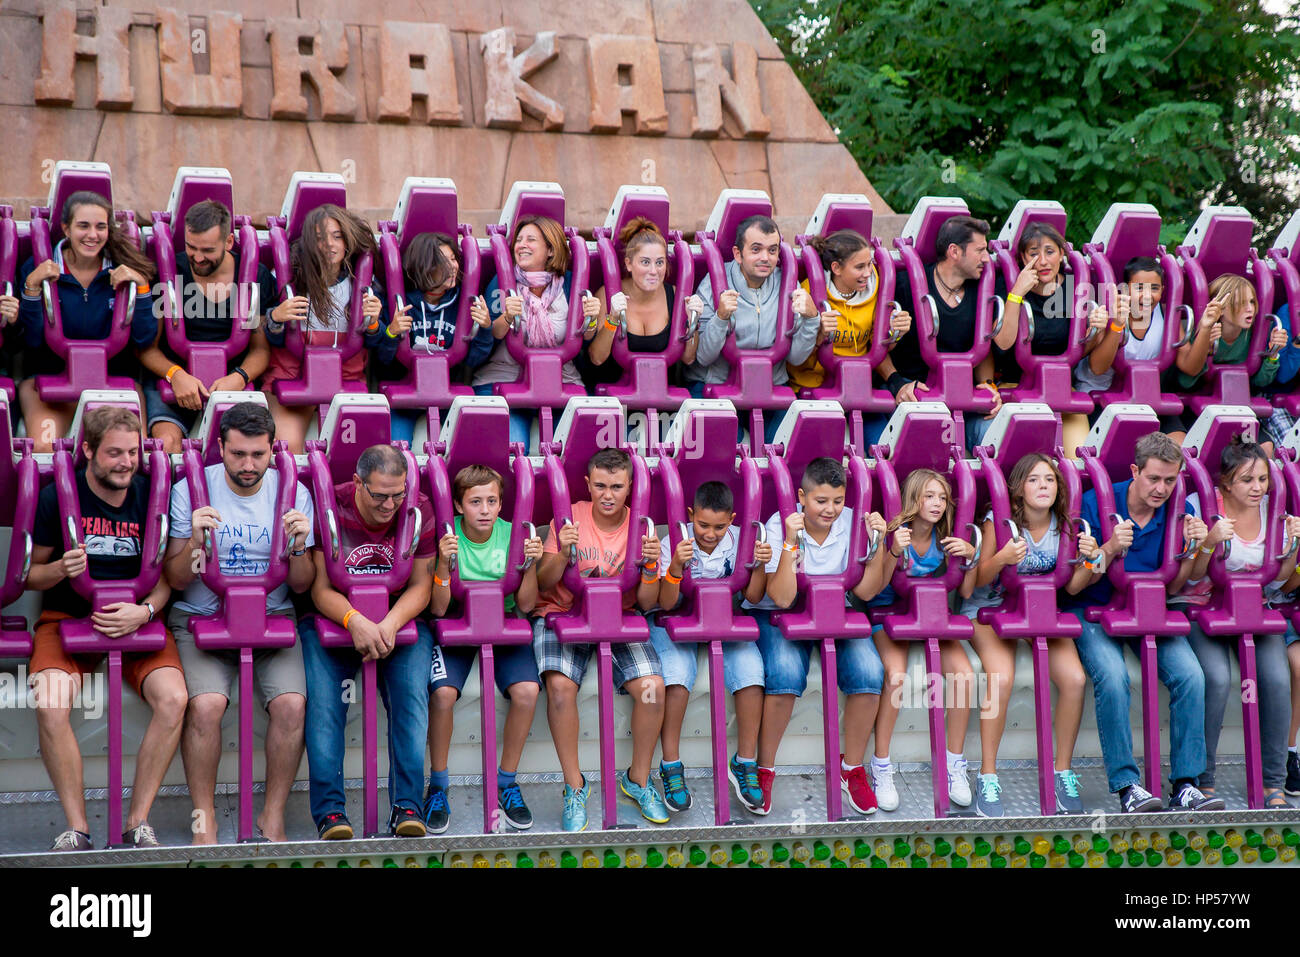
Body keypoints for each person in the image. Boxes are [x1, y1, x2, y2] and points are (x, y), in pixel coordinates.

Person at [26, 406, 184, 849]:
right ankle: (78, 827)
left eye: (132, 453)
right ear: (89, 451)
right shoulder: (59, 495)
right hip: (69, 619)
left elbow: (168, 577)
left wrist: (146, 612)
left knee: (174, 698)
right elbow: (29, 575)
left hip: (136, 620)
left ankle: (138, 822)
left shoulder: (152, 493)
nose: (126, 463)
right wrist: (59, 568)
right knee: (50, 702)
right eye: (114, 453)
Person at [162, 402, 314, 843]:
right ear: (221, 449)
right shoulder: (191, 488)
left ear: (272, 450)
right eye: (237, 455)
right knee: (206, 705)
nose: (248, 466)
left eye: (258, 455)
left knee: (291, 705)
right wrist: (195, 542)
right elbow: (174, 578)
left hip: (272, 614)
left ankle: (272, 817)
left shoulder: (293, 491)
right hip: (202, 616)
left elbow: (302, 586)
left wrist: (300, 547)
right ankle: (204, 819)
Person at [1065, 430, 1220, 812]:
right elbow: (1077, 583)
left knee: (1191, 676)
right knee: (1113, 679)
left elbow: (1179, 582)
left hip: (1149, 609)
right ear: (1135, 471)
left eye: (1170, 480)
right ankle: (1128, 787)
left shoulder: (1177, 511)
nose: (1162, 488)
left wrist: (1197, 548)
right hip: (1095, 609)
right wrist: (1109, 547)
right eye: (1154, 478)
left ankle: (1185, 783)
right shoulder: (1095, 502)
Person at [301, 444, 437, 839]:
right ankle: (330, 814)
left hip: (400, 620)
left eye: (398, 494)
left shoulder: (417, 507)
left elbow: (422, 584)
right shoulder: (330, 506)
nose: (389, 504)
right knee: (327, 706)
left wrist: (390, 623)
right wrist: (355, 620)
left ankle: (407, 806)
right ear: (358, 482)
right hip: (336, 618)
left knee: (411, 696)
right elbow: (320, 588)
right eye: (379, 495)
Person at [743, 457, 891, 816]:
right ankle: (765, 768)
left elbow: (867, 592)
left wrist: (879, 545)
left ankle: (851, 767)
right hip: (782, 613)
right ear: (802, 497)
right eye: (821, 501)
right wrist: (790, 543)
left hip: (834, 611)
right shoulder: (782, 523)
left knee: (871, 672)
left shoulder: (854, 522)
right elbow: (780, 597)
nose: (830, 510)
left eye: (837, 501)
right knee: (785, 673)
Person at [532, 447, 667, 830]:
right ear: (588, 484)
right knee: (559, 689)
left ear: (630, 488)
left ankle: (638, 779)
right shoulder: (570, 516)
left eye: (617, 487)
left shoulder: (642, 527)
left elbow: (647, 601)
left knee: (653, 688)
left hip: (619, 616)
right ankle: (575, 786)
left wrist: (652, 566)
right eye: (601, 486)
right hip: (563, 613)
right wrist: (562, 552)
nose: (608, 495)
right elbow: (543, 582)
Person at [960, 453, 1095, 816]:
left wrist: (1091, 561)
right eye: (1034, 480)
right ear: (1018, 489)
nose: (1043, 487)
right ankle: (988, 775)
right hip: (991, 610)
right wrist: (1003, 558)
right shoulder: (997, 522)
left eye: (1049, 480)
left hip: (1039, 612)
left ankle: (1062, 769)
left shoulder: (1067, 526)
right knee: (1000, 678)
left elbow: (1075, 587)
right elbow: (979, 581)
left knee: (1075, 679)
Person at [1178, 435, 1300, 808]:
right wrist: (1209, 542)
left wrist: (1293, 549)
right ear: (1225, 482)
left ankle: (1273, 783)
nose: (1257, 488)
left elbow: (1281, 581)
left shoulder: (1274, 509)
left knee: (1278, 680)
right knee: (1215, 679)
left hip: (1253, 608)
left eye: (1262, 479)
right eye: (1248, 480)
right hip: (1203, 606)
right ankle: (1206, 778)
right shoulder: (1199, 505)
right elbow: (1191, 576)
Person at [425, 465, 545, 832]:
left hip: (504, 622)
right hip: (458, 622)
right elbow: (439, 608)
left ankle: (506, 781)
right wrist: (443, 566)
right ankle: (439, 786)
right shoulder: (449, 537)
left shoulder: (512, 535)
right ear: (459, 506)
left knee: (527, 691)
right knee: (443, 694)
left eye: (492, 501)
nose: (485, 510)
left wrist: (531, 566)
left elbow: (526, 605)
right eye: (475, 502)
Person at [642, 480, 773, 813]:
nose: (710, 533)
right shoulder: (677, 540)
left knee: (751, 672)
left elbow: (754, 597)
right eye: (702, 525)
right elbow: (666, 604)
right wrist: (674, 569)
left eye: (719, 526)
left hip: (724, 620)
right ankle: (671, 764)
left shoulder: (743, 540)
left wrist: (758, 566)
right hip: (677, 620)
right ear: (690, 516)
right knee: (678, 674)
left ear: (731, 519)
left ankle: (744, 761)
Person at [869, 468, 979, 810]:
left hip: (932, 618)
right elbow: (879, 585)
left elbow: (965, 591)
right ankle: (881, 765)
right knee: (896, 675)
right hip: (890, 615)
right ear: (912, 499)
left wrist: (970, 558)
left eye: (942, 498)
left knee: (964, 674)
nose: (936, 504)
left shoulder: (946, 541)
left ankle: (954, 763)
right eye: (928, 496)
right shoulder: (893, 531)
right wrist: (890, 550)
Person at [17, 191, 156, 452]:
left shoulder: (123, 269)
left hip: (112, 384)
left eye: (100, 227)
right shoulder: (36, 268)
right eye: (83, 226)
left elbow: (144, 337)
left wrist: (142, 288)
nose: (92, 235)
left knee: (128, 453)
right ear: (66, 228)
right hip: (50, 385)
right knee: (46, 449)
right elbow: (31, 341)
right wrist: (32, 288)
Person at [137, 199, 274, 453]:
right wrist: (175, 374)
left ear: (229, 242)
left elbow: (261, 350)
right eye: (191, 247)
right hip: (173, 380)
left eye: (208, 250)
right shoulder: (169, 272)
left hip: (230, 381)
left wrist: (239, 377)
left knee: (239, 449)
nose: (198, 258)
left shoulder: (254, 276)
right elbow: (146, 348)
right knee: (165, 444)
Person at [262, 204, 392, 453]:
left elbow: (381, 346)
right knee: (286, 448)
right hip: (292, 379)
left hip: (346, 381)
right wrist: (276, 317)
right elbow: (264, 334)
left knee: (358, 454)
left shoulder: (364, 283)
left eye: (337, 236)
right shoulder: (287, 276)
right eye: (320, 238)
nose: (330, 245)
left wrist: (374, 323)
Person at [468, 215, 600, 449]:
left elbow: (585, 337)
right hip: (504, 379)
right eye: (519, 240)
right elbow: (496, 334)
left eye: (531, 239)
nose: (522, 245)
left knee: (578, 446)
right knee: (513, 446)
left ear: (550, 249)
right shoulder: (503, 281)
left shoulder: (570, 284)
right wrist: (505, 317)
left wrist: (591, 318)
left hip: (561, 381)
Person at [687, 215, 820, 445]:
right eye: (756, 249)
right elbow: (703, 357)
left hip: (770, 387)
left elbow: (796, 358)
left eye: (772, 250)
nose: (765, 258)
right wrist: (720, 318)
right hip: (717, 384)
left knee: (790, 443)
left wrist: (811, 318)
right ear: (738, 254)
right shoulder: (714, 282)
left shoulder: (787, 283)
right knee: (724, 446)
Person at [886, 215, 1003, 450]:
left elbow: (983, 346)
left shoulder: (983, 287)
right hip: (916, 392)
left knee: (999, 435)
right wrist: (896, 383)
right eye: (979, 250)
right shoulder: (905, 284)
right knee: (926, 445)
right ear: (954, 252)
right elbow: (878, 344)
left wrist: (989, 386)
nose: (986, 259)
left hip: (962, 395)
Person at [375, 232, 492, 446]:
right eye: (443, 261)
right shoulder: (400, 303)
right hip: (404, 398)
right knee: (395, 447)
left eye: (454, 259)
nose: (453, 266)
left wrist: (484, 328)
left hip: (448, 397)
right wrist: (392, 332)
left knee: (462, 447)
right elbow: (382, 359)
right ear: (424, 266)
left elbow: (474, 360)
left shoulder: (462, 303)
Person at [997, 222, 1102, 455]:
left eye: (1050, 252)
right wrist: (1016, 293)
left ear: (1062, 254)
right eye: (1034, 254)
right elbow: (1003, 342)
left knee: (1078, 460)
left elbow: (1080, 352)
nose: (1043, 261)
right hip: (1017, 387)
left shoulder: (1075, 290)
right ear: (1023, 258)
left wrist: (1097, 332)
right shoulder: (1008, 286)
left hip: (1062, 390)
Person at [583, 217, 702, 389]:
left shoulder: (677, 296)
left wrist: (693, 322)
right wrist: (613, 319)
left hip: (660, 399)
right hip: (612, 397)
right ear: (629, 264)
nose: (654, 271)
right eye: (645, 262)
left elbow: (688, 358)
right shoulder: (607, 293)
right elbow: (597, 357)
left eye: (659, 262)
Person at [1171, 273, 1287, 448]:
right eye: (1241, 303)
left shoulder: (1254, 334)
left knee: (1264, 448)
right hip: (1196, 409)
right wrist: (1206, 347)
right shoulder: (1200, 329)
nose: (1250, 309)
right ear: (1221, 308)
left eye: (1252, 302)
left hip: (1237, 408)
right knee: (1196, 447)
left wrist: (1273, 354)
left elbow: (1260, 381)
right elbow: (1186, 382)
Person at [1075, 256, 1162, 406]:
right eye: (1139, 288)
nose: (1147, 296)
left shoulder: (1164, 314)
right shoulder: (1107, 311)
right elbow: (1097, 368)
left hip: (1141, 398)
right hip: (1097, 395)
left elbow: (1190, 367)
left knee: (1177, 431)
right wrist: (1117, 324)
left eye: (1154, 288)